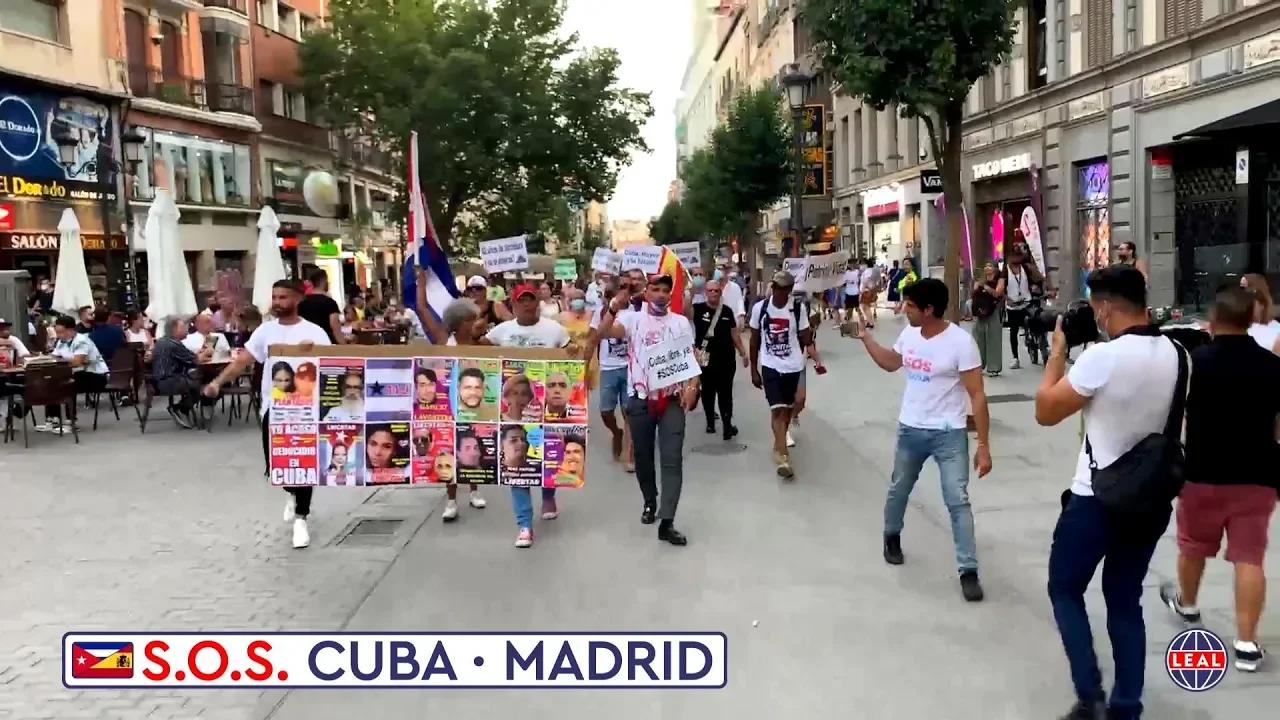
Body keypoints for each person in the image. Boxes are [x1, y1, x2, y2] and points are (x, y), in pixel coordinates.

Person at [1033, 266, 1183, 720]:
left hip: (1094, 499)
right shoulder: (1179, 355)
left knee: (1065, 588)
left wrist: (1057, 355)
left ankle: (1091, 695)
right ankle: (1126, 706)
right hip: (1149, 498)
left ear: (1103, 307)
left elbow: (1046, 411)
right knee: (1124, 599)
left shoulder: (1102, 357)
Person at [1157, 286, 1280, 673]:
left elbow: (1173, 414)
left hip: (1202, 473)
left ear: (1213, 319)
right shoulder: (1273, 365)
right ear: (1251, 320)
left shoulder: (1195, 363)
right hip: (1257, 477)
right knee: (1249, 557)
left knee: (1193, 546)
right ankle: (1246, 644)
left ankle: (1188, 605)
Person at [858, 278, 992, 603]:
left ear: (929, 310)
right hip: (911, 429)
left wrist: (984, 446)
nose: (905, 309)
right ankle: (891, 536)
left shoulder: (961, 343)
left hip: (949, 434)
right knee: (899, 488)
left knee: (957, 500)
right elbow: (892, 363)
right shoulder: (909, 334)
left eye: (911, 306)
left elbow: (977, 395)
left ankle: (968, 570)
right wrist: (866, 339)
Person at [202, 279, 330, 550]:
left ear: (297, 299)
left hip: (305, 409)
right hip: (274, 408)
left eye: (283, 297)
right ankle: (291, 492)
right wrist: (218, 382)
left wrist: (316, 353)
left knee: (302, 464)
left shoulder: (315, 332)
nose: (277, 302)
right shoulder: (265, 331)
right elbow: (242, 361)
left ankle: (301, 518)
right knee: (276, 465)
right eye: (275, 297)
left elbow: (333, 366)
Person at [596, 272, 700, 546]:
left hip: (671, 400)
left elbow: (689, 357)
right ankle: (650, 500)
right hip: (641, 400)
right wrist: (613, 308)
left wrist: (693, 385)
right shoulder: (632, 319)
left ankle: (667, 521)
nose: (661, 295)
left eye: (666, 290)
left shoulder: (679, 323)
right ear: (646, 292)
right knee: (643, 456)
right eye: (656, 289)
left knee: (672, 458)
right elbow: (603, 333)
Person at [482, 283, 570, 547]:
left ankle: (548, 496)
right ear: (513, 304)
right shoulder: (501, 331)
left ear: (538, 303)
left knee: (547, 458)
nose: (527, 304)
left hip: (545, 411)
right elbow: (476, 352)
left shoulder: (555, 330)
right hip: (512, 417)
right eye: (521, 300)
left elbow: (573, 358)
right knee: (517, 467)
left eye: (531, 299)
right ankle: (524, 525)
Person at [748, 271, 813, 478]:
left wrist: (809, 331)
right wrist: (754, 370)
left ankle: (779, 440)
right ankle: (783, 456)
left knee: (788, 409)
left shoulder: (798, 308)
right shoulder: (760, 308)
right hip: (770, 365)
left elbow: (806, 337)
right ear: (772, 287)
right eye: (776, 287)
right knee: (777, 410)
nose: (779, 292)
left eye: (784, 289)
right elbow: (754, 340)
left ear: (789, 290)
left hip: (793, 366)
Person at [590, 273, 637, 471]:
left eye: (628, 287)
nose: (624, 291)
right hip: (608, 368)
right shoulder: (602, 311)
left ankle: (629, 455)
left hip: (630, 368)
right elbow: (595, 337)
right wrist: (584, 366)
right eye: (621, 287)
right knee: (606, 412)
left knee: (629, 412)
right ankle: (616, 432)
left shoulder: (637, 310)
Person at [693, 279, 748, 438]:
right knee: (707, 391)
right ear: (705, 292)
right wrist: (690, 290)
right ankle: (710, 421)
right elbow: (684, 309)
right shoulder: (698, 309)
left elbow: (734, 334)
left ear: (720, 293)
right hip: (704, 357)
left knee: (725, 392)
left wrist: (743, 353)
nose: (713, 293)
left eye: (716, 290)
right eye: (710, 290)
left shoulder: (727, 311)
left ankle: (727, 425)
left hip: (726, 358)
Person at [42, 315, 109, 433]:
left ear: (70, 330)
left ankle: (71, 421)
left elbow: (77, 362)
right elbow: (54, 357)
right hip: (77, 372)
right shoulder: (61, 342)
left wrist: (63, 360)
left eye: (61, 332)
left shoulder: (81, 341)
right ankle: (53, 419)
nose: (58, 335)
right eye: (57, 332)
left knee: (69, 382)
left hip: (96, 376)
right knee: (50, 380)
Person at [151, 316, 214, 429]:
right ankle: (181, 408)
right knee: (203, 384)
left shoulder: (162, 341)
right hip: (169, 381)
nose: (186, 329)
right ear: (175, 329)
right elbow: (196, 360)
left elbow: (189, 356)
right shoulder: (174, 344)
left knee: (198, 379)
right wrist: (207, 351)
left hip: (158, 381)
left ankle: (183, 408)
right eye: (183, 327)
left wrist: (200, 353)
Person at [1003, 246, 1044, 367]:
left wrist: (1041, 287)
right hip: (1013, 306)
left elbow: (1041, 278)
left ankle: (1041, 344)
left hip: (1027, 302)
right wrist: (1007, 298)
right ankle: (1015, 358)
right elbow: (1000, 288)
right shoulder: (1004, 271)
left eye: (1018, 255)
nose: (1016, 258)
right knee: (1014, 332)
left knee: (1037, 321)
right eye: (1014, 256)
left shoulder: (1026, 268)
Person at [971, 261, 1006, 377]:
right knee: (978, 337)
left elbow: (997, 293)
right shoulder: (980, 279)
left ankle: (994, 367)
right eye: (985, 266)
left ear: (995, 268)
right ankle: (979, 365)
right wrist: (978, 285)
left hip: (993, 309)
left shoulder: (1000, 279)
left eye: (990, 266)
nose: (987, 268)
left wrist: (986, 287)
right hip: (980, 310)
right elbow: (974, 293)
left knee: (993, 337)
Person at [298, 269, 346, 344]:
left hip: (306, 342)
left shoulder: (301, 301)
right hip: (326, 342)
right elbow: (334, 325)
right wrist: (343, 344)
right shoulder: (329, 302)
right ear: (324, 281)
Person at [841, 260, 862, 326]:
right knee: (856, 306)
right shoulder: (857, 272)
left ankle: (849, 320)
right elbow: (859, 280)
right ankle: (861, 318)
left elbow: (843, 282)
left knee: (850, 306)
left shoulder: (846, 273)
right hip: (855, 292)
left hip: (849, 292)